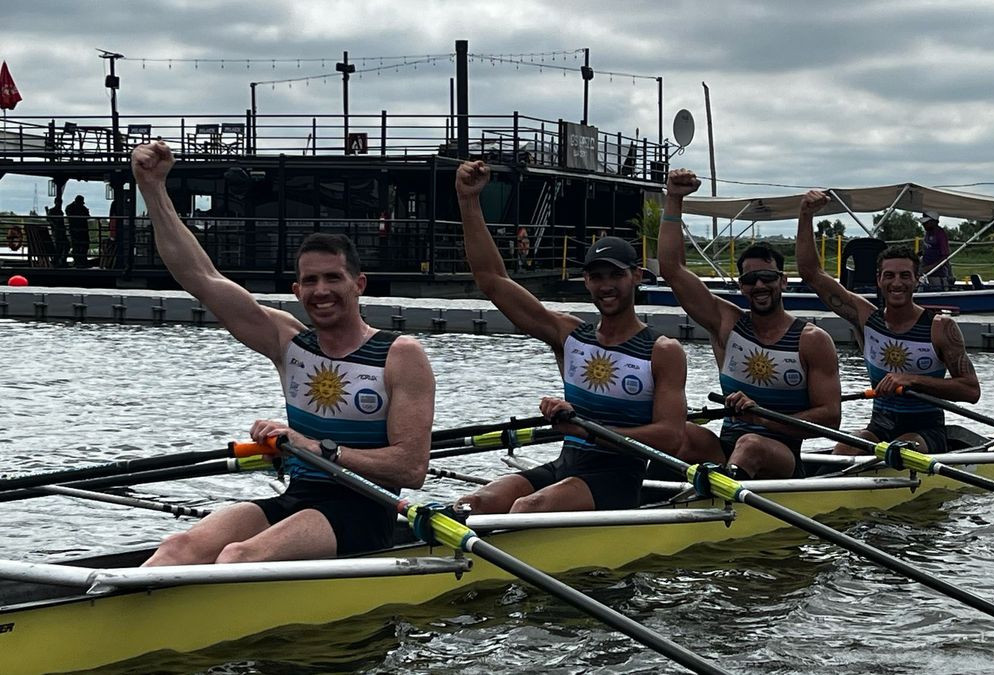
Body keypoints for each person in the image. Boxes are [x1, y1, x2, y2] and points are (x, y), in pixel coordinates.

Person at [131, 141, 434, 565]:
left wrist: (315, 447)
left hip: (363, 510)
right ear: (297, 290)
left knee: (238, 556)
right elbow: (200, 277)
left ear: (359, 284)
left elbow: (410, 468)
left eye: (333, 278)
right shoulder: (288, 343)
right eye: (310, 281)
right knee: (177, 548)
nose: (321, 291)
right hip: (299, 498)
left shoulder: (400, 354)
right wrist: (153, 189)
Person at [453, 159, 687, 513]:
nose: (606, 286)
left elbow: (671, 437)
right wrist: (468, 201)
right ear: (587, 281)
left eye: (615, 275)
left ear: (637, 277)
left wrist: (587, 429)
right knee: (473, 503)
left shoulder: (662, 351)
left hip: (616, 478)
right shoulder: (568, 334)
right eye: (596, 277)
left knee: (526, 510)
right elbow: (491, 280)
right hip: (568, 465)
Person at [657, 169, 841, 479]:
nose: (759, 286)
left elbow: (831, 417)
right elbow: (671, 269)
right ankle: (643, 505)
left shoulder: (811, 340)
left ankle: (723, 509)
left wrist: (763, 419)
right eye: (750, 280)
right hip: (727, 447)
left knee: (750, 443)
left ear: (782, 282)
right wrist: (674, 198)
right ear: (741, 286)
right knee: (677, 433)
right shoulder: (725, 323)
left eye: (767, 278)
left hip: (780, 454)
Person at [795, 192, 980, 456]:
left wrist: (912, 380)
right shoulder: (865, 318)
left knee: (897, 451)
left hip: (925, 432)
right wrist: (805, 214)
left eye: (905, 276)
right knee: (842, 452)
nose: (897, 283)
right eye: (890, 275)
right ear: (879, 279)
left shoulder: (940, 327)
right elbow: (811, 273)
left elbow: (971, 390)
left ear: (917, 280)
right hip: (878, 426)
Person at [919, 210, 953, 288]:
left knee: (938, 290)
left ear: (934, 222)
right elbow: (927, 250)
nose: (923, 225)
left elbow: (945, 256)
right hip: (928, 273)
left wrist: (930, 268)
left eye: (926, 223)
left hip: (939, 274)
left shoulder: (940, 234)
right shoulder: (928, 233)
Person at [64, 194, 90, 268]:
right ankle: (78, 261)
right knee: (77, 246)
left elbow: (87, 216)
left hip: (81, 230)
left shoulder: (71, 207)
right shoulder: (71, 208)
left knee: (83, 246)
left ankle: (82, 261)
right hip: (76, 230)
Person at [46, 196, 67, 267]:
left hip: (61, 231)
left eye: (60, 202)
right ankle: (58, 261)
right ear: (55, 202)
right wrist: (55, 225)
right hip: (57, 231)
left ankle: (61, 260)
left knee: (65, 245)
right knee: (58, 247)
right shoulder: (52, 211)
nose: (59, 204)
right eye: (58, 202)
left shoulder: (59, 211)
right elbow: (49, 220)